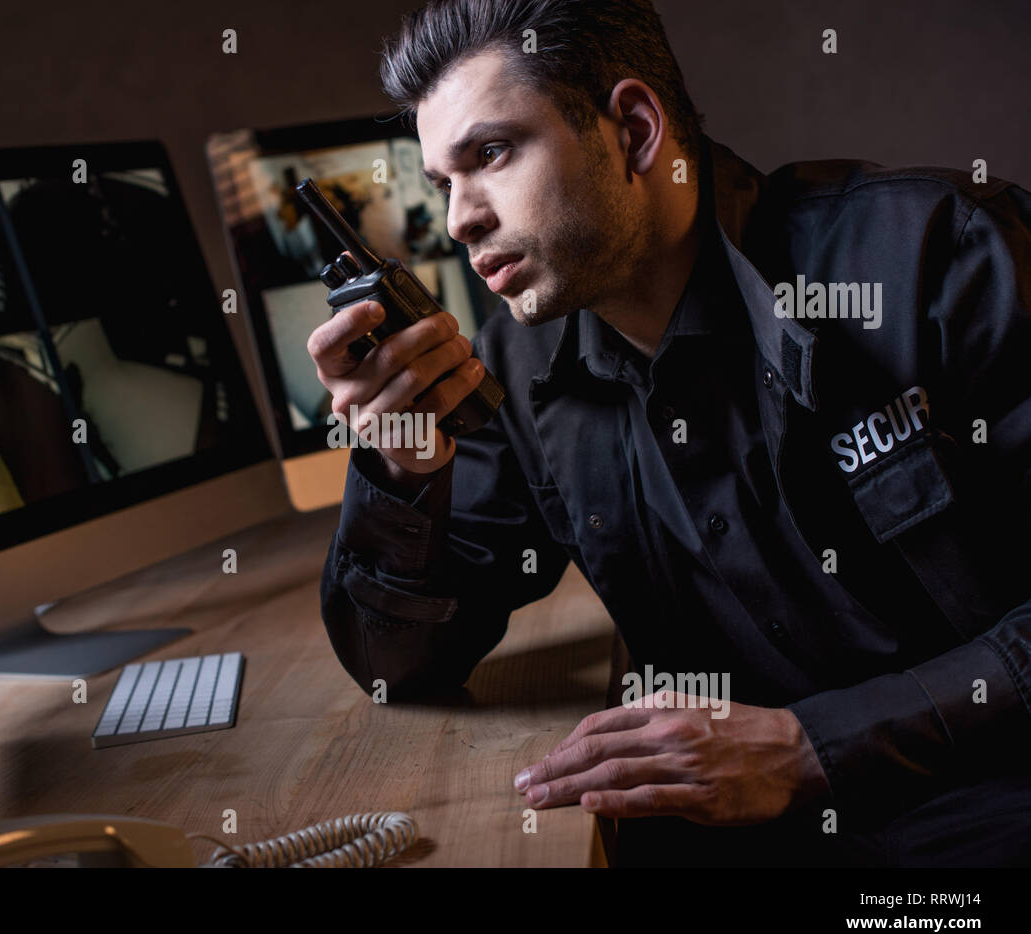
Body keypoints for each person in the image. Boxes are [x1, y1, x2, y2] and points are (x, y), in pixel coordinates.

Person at [309, 0, 1031, 866]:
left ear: (636, 130)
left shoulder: (940, 258)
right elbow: (400, 666)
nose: (459, 219)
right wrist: (402, 463)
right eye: (442, 183)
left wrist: (812, 746)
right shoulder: (513, 366)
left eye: (491, 154)